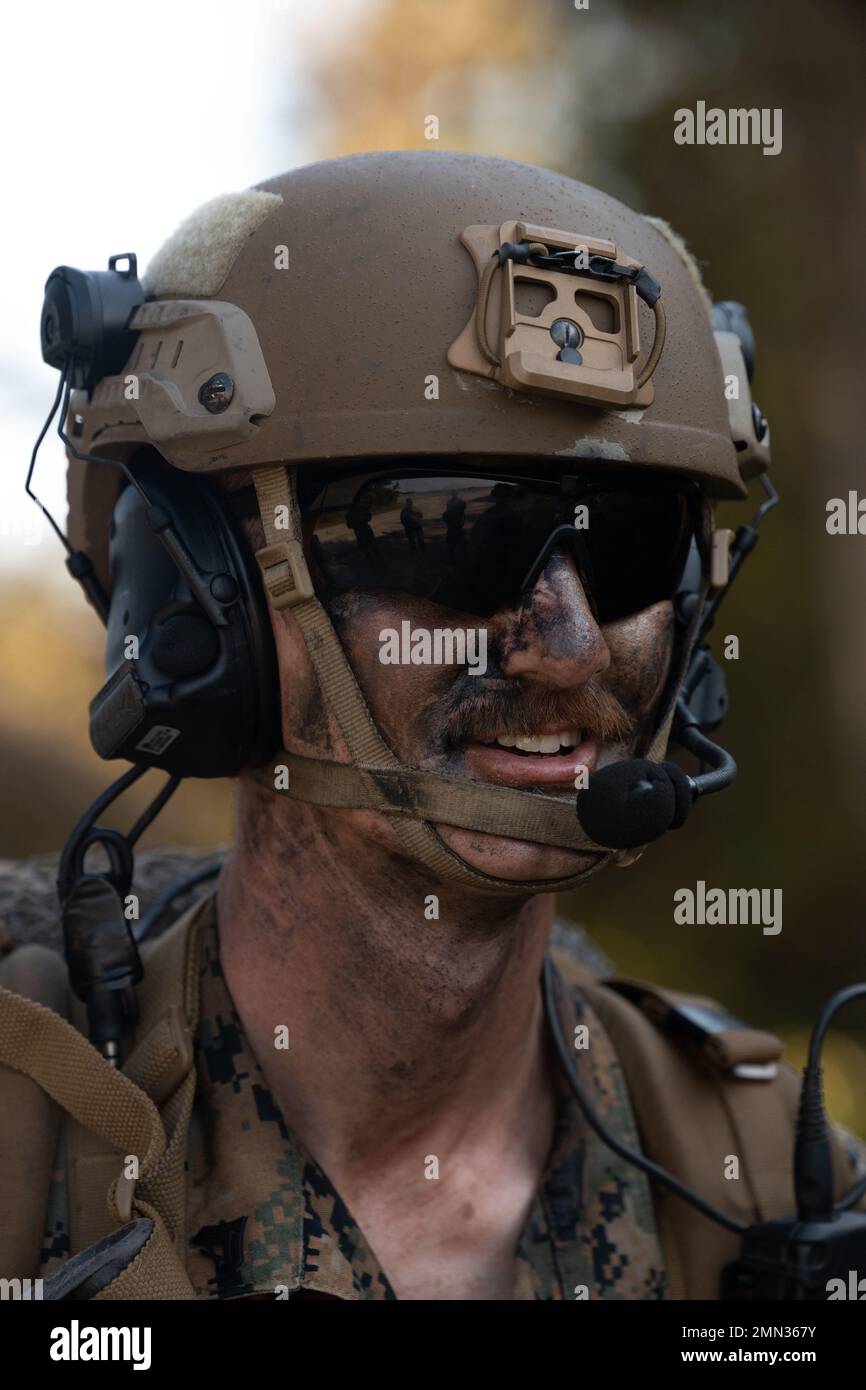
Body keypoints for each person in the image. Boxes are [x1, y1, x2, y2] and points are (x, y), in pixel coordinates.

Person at [0, 150, 863, 1303]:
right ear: (201, 606)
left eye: (623, 549)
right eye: (449, 534)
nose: (567, 647)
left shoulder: (770, 1181)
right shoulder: (26, 1146)